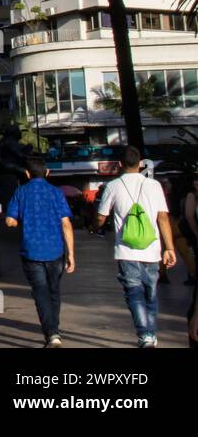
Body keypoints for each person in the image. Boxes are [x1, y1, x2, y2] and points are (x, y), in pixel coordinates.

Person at [96, 146, 176, 348]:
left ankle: (145, 335)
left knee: (134, 293)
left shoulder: (113, 186)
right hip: (152, 249)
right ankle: (150, 333)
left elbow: (101, 217)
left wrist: (96, 226)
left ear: (120, 164)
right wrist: (170, 248)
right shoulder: (154, 185)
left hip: (126, 250)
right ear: (140, 163)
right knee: (150, 293)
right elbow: (163, 217)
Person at [5, 156, 75, 347]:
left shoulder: (21, 192)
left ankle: (51, 333)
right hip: (56, 251)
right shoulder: (56, 192)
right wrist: (71, 255)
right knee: (54, 291)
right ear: (47, 173)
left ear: (27, 174)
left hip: (31, 251)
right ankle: (55, 331)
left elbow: (9, 221)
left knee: (40, 292)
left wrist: (18, 220)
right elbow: (66, 224)